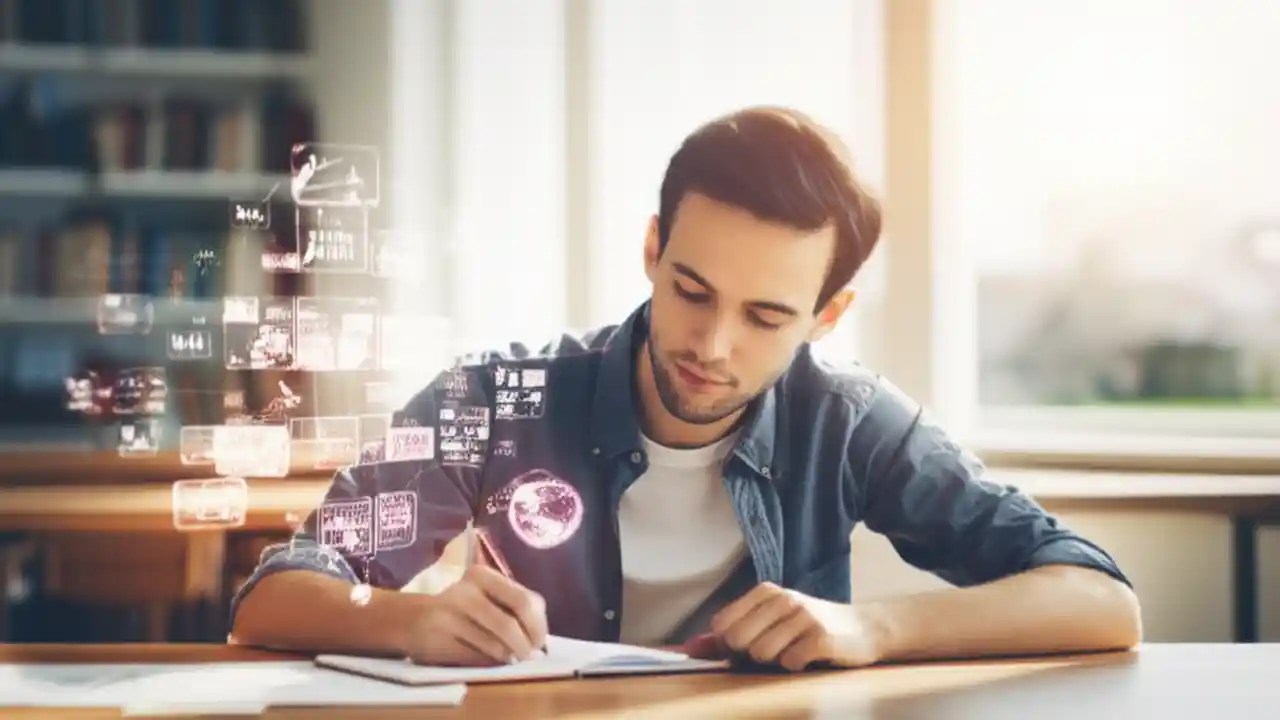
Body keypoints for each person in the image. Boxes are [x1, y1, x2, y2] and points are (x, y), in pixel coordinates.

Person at [229, 107, 1141, 671]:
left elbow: (1101, 601)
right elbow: (274, 597)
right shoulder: (493, 401)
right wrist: (409, 621)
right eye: (692, 291)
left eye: (767, 317)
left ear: (828, 314)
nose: (711, 344)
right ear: (653, 248)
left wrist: (874, 630)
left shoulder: (852, 421)